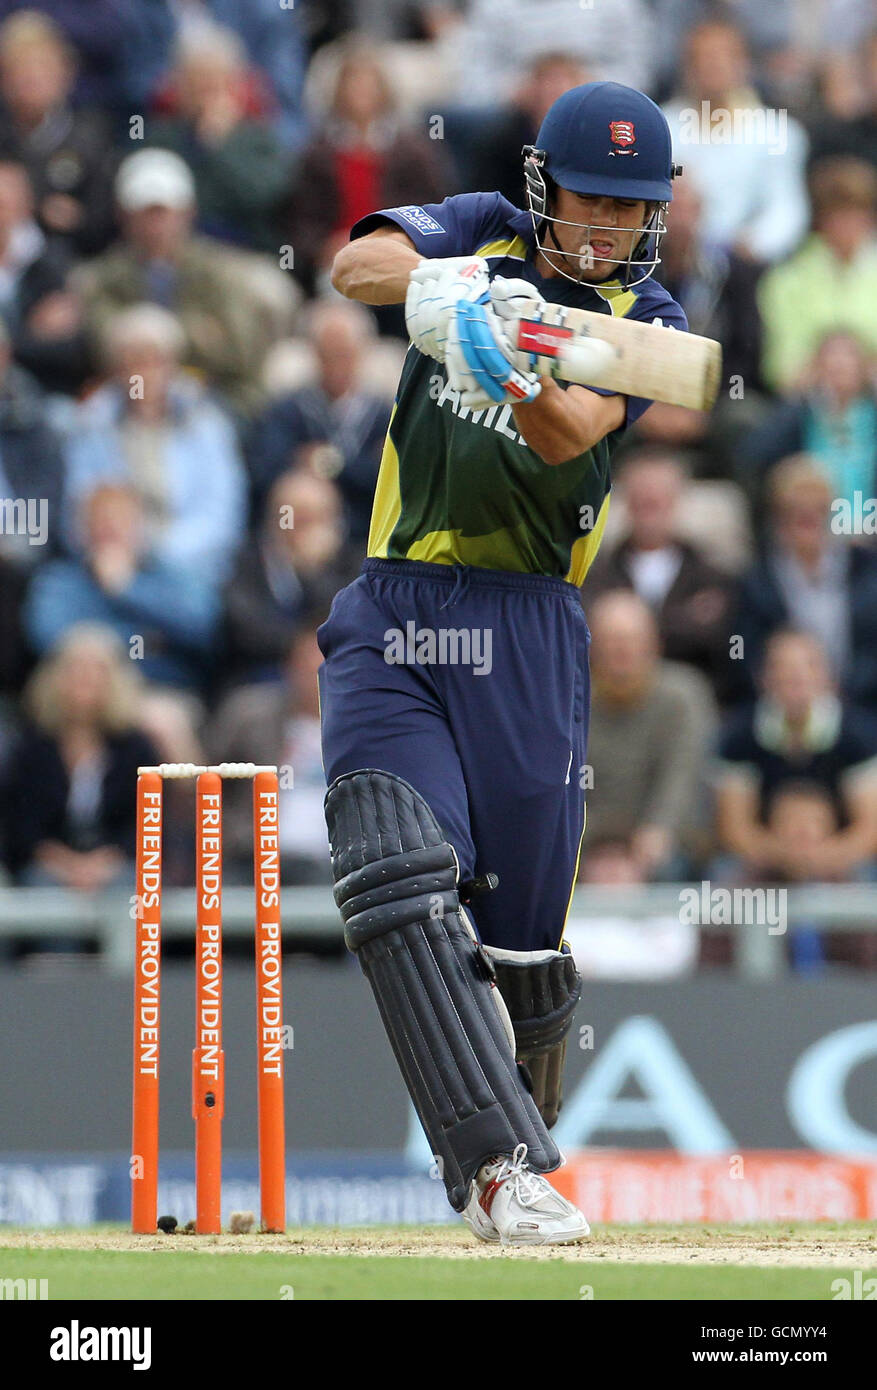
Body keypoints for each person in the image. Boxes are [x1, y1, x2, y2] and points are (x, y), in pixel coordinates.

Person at [320, 81, 688, 1243]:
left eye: (630, 210)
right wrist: (438, 288)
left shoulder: (655, 318)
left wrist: (502, 353)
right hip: (397, 600)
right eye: (590, 199)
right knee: (392, 859)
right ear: (542, 185)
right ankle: (495, 1169)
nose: (606, 228)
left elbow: (573, 431)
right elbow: (354, 265)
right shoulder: (482, 222)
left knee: (524, 954)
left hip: (531, 628)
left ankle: (525, 1158)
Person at [63, 302, 246, 586]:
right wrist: (115, 551)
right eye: (133, 361)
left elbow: (221, 516)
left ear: (172, 365)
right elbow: (80, 506)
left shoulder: (207, 424)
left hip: (189, 569)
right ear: (116, 369)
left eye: (155, 360)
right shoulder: (91, 425)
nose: (144, 372)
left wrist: (154, 554)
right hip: (111, 567)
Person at [0, 623, 159, 891]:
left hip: (118, 866)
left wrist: (106, 861)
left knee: (130, 888)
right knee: (44, 891)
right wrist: (63, 862)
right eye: (74, 671)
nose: (84, 680)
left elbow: (148, 821)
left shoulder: (136, 748)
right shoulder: (32, 748)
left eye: (96, 672)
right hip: (46, 867)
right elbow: (20, 824)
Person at [247, 299, 391, 541]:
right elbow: (267, 472)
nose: (335, 366)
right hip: (297, 537)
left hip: (366, 536)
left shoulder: (385, 416)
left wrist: (330, 463)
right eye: (326, 354)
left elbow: (384, 482)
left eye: (344, 354)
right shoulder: (287, 411)